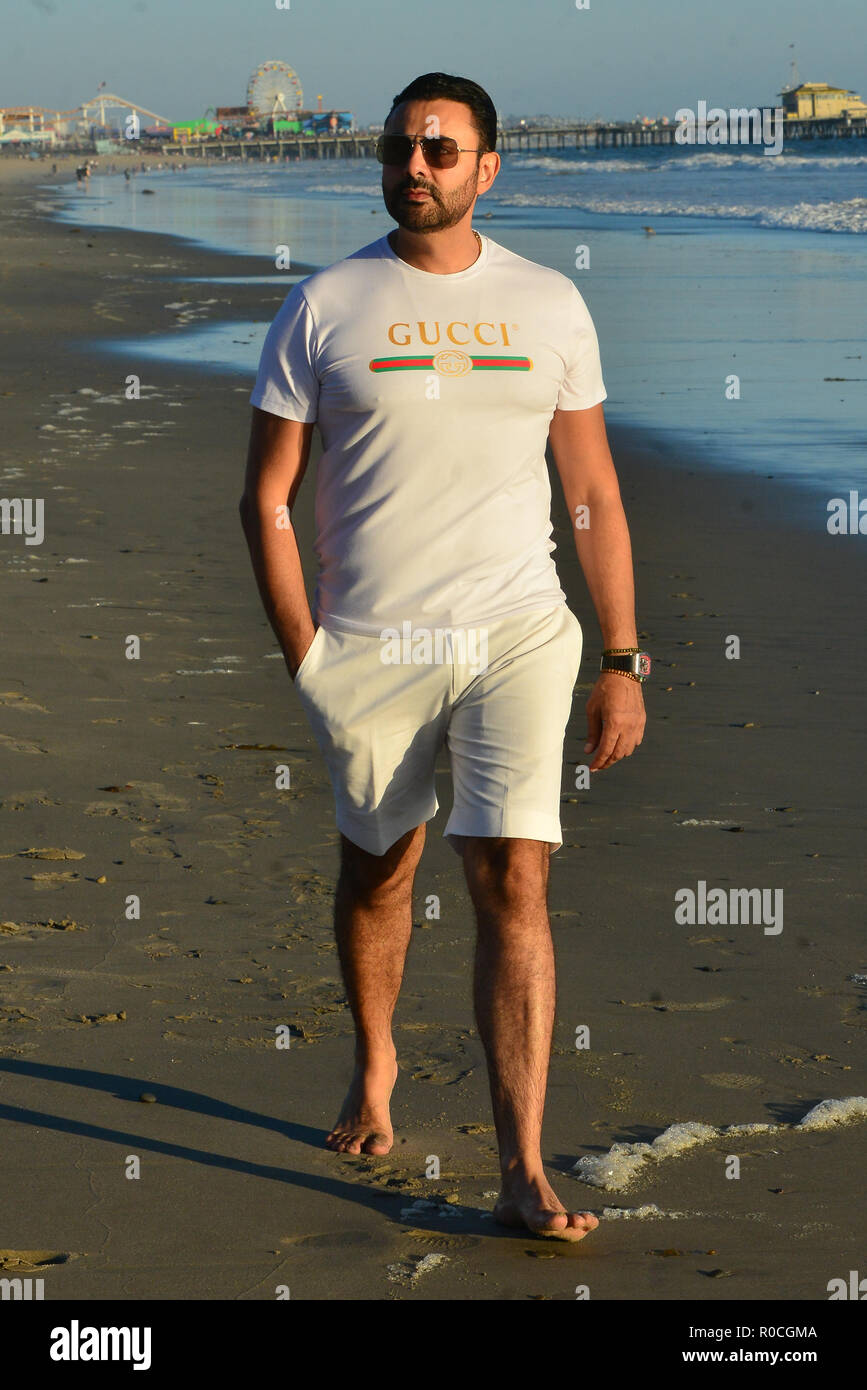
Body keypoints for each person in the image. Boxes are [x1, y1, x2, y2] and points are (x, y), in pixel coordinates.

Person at [240, 72, 647, 1241]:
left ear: (486, 169)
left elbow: (593, 493)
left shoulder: (550, 304)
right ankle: (375, 1065)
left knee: (512, 876)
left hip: (519, 630)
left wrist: (622, 657)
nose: (414, 164)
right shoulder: (323, 305)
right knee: (380, 868)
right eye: (399, 147)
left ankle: (522, 1167)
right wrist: (305, 654)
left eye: (439, 147)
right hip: (369, 645)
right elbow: (267, 499)